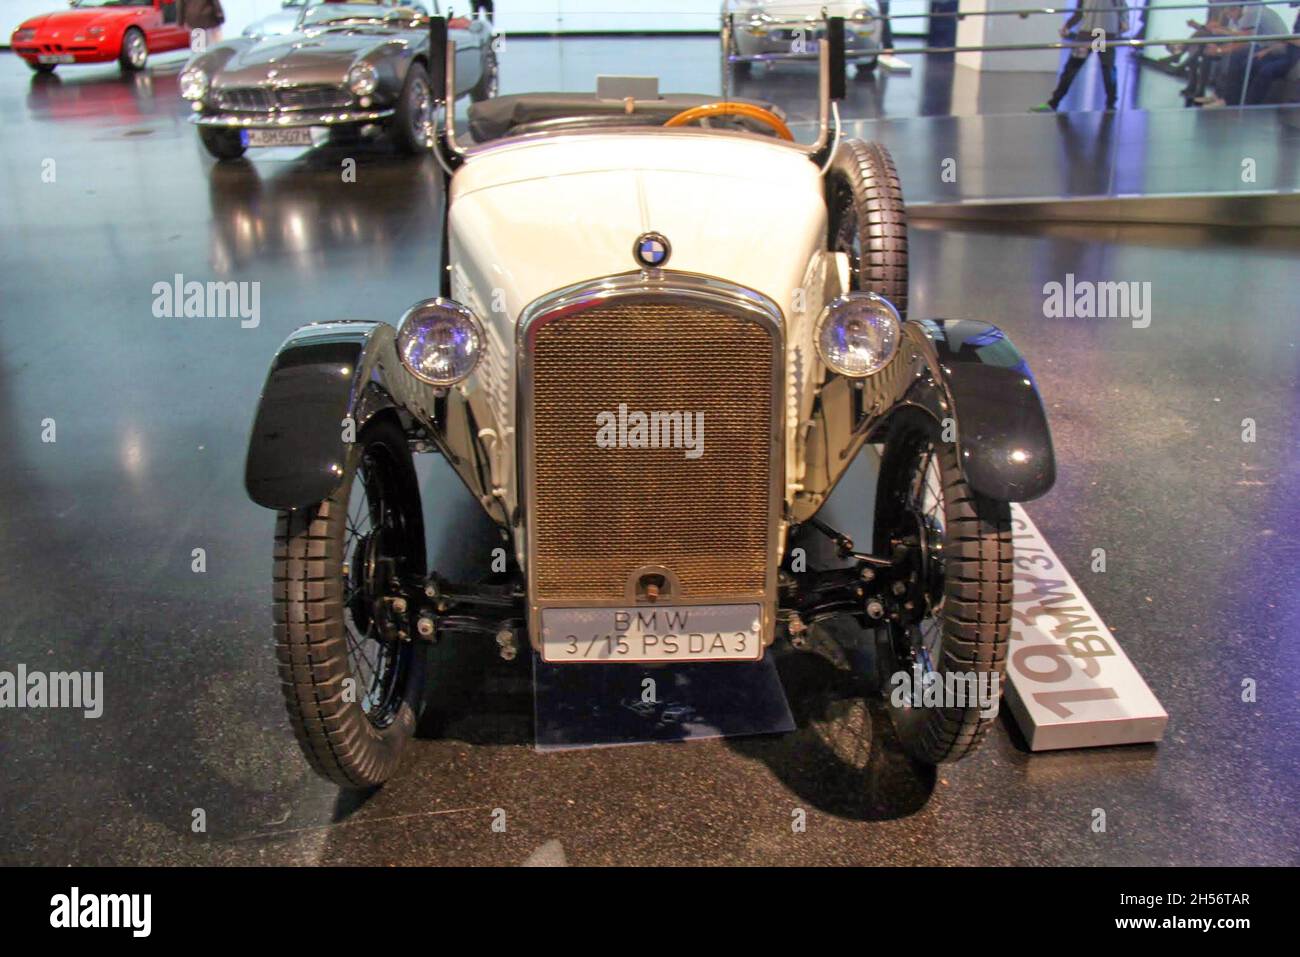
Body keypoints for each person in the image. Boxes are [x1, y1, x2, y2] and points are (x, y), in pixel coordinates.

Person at [1030, 0, 1130, 112]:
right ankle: (1054, 102)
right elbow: (1079, 12)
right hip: (1087, 33)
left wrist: (1124, 22)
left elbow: (1122, 7)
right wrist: (1067, 25)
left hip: (1102, 33)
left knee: (1107, 69)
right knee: (1073, 67)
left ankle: (1111, 105)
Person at [1196, 2, 1289, 106]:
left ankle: (1228, 100)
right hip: (1264, 47)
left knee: (1237, 54)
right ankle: (1219, 94)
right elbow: (1239, 34)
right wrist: (1221, 35)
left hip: (1277, 50)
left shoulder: (1252, 10)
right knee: (1224, 51)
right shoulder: (1245, 11)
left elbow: (1244, 40)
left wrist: (1219, 50)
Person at [1244, 2, 1300, 102]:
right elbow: (1289, 41)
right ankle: (1238, 100)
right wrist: (1266, 51)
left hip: (1295, 59)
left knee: (1266, 71)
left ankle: (1251, 105)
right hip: (1288, 54)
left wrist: (1285, 37)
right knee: (1254, 61)